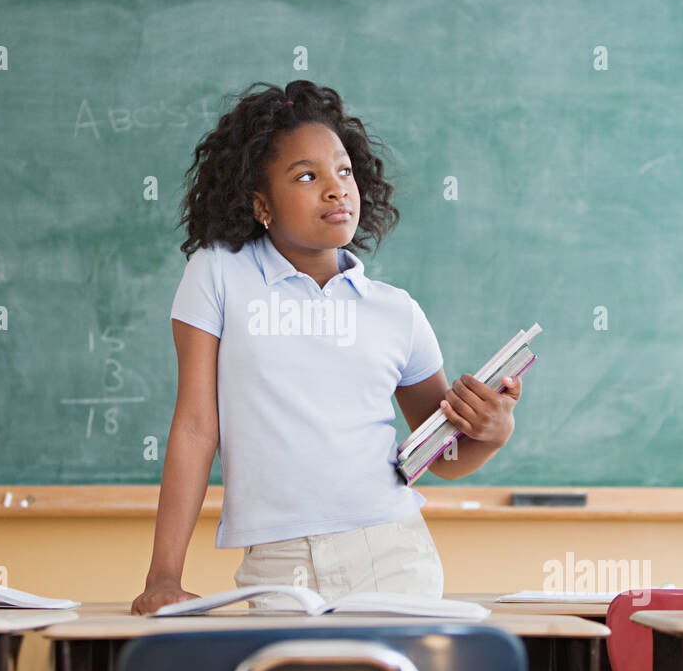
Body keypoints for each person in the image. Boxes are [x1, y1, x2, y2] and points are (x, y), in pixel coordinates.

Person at [131, 80, 523, 614]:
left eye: (343, 171)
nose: (337, 189)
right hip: (278, 564)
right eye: (307, 176)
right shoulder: (218, 273)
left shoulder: (396, 310)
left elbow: (441, 456)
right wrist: (163, 576)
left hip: (393, 553)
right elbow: (197, 426)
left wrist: (494, 432)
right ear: (261, 203)